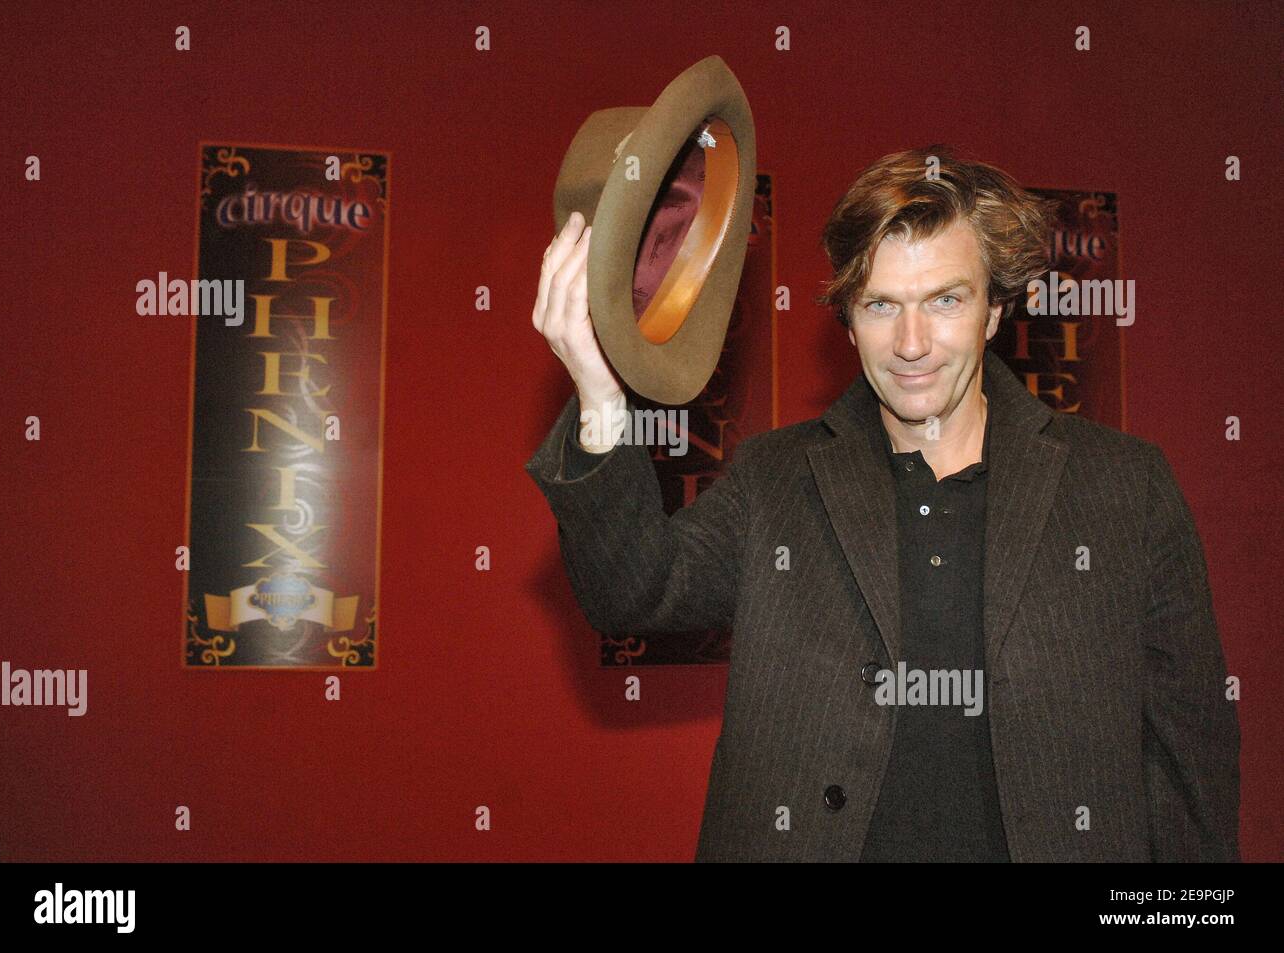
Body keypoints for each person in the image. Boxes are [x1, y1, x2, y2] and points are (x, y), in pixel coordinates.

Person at [524, 146, 1240, 862]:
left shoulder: (1125, 487)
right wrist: (598, 392)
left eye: (945, 301)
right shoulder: (778, 479)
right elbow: (634, 592)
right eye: (881, 306)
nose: (912, 344)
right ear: (847, 319)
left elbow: (1188, 761)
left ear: (993, 310)